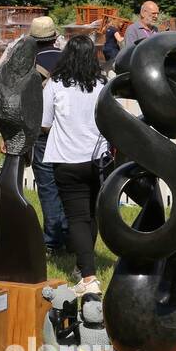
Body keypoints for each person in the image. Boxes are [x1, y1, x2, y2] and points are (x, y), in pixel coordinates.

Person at [42, 34, 108, 296]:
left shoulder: (56, 84)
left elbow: (45, 122)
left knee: (78, 217)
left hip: (67, 158)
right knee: (91, 214)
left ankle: (89, 276)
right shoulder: (102, 84)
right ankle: (84, 265)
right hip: (97, 158)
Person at [27, 16, 67, 254]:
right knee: (68, 187)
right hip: (67, 131)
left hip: (43, 132)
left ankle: (52, 240)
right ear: (54, 37)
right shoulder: (67, 62)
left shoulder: (31, 65)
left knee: (48, 186)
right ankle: (69, 234)